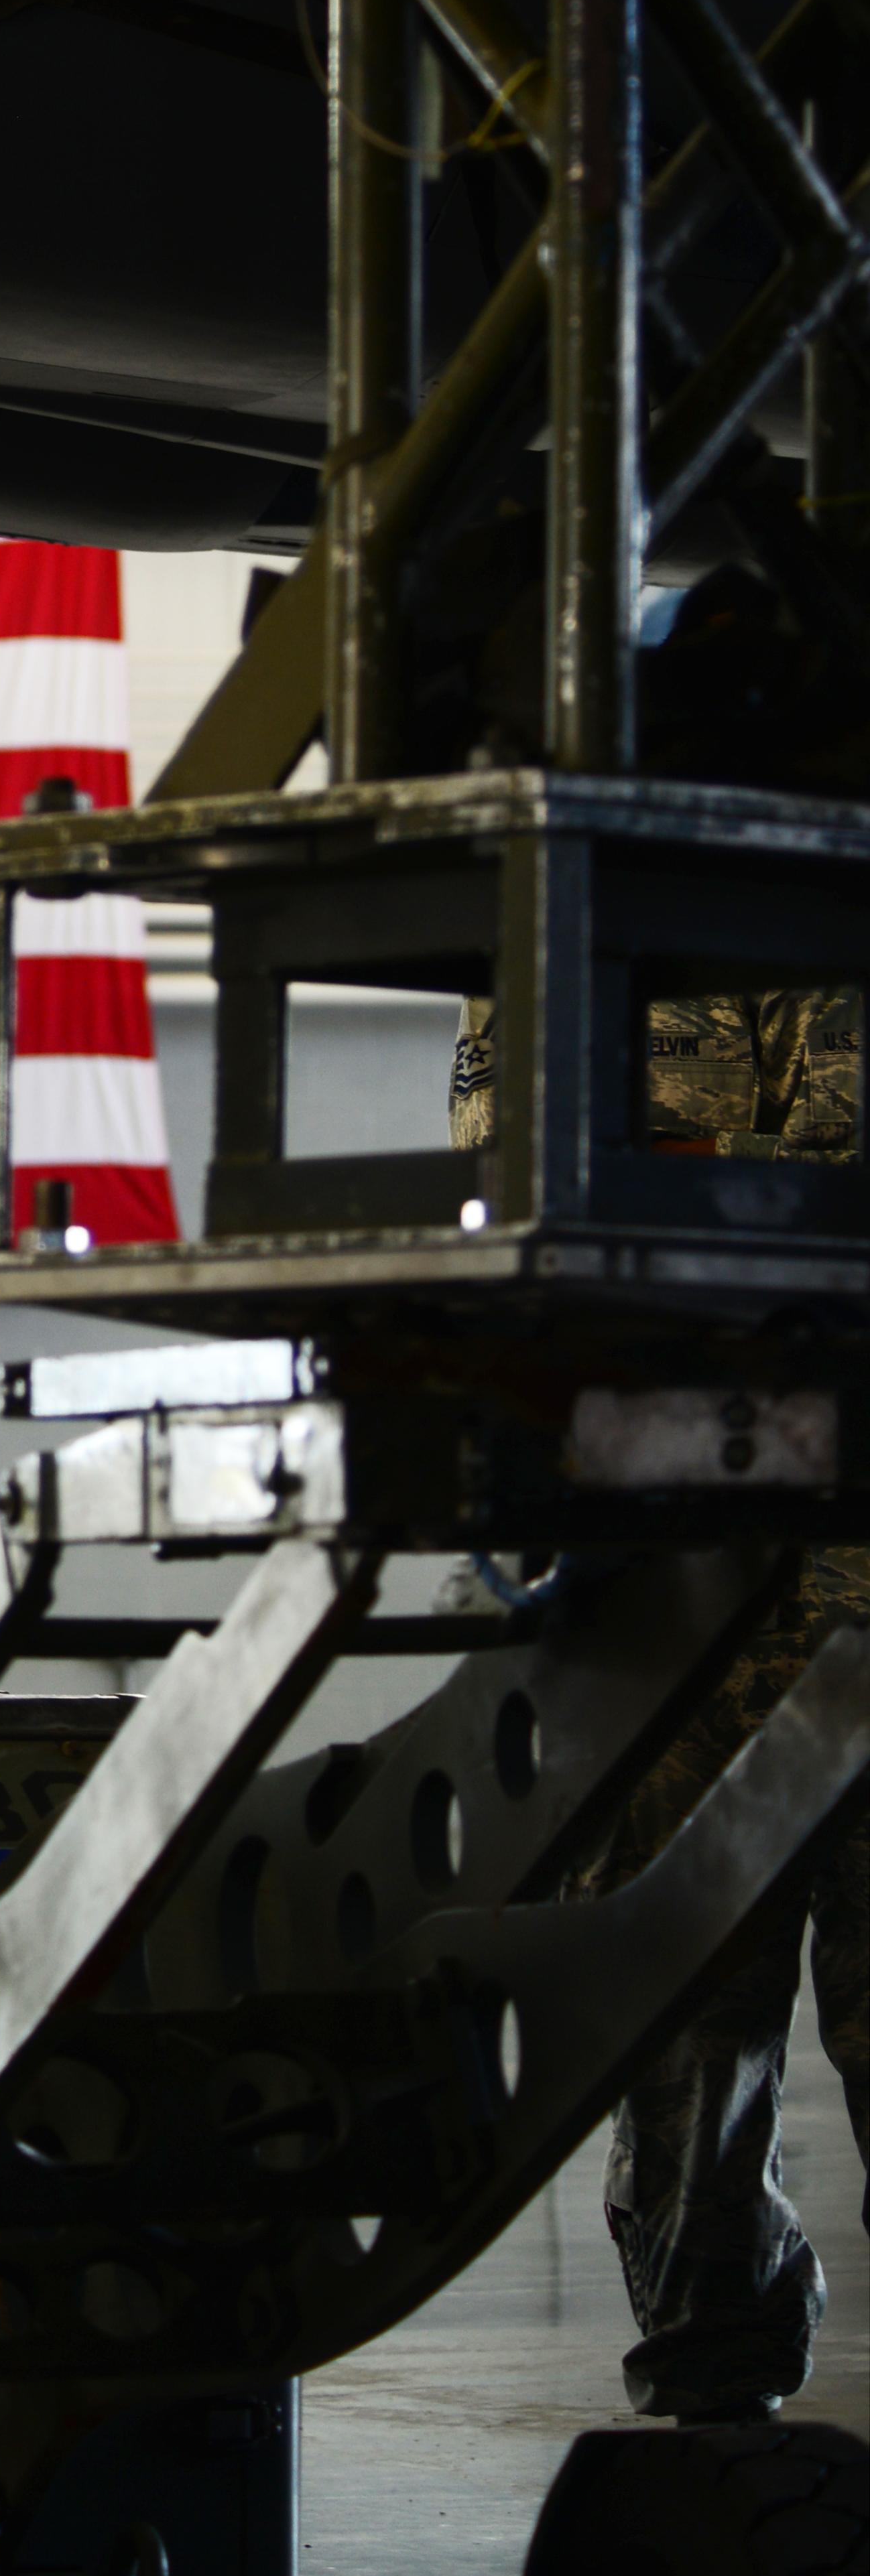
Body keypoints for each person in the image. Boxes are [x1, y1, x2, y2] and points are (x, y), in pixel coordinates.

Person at [451, 987, 870, 2419]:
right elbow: (522, 1192)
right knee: (683, 2055)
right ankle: (710, 2417)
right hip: (679, 1616)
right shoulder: (594, 913)